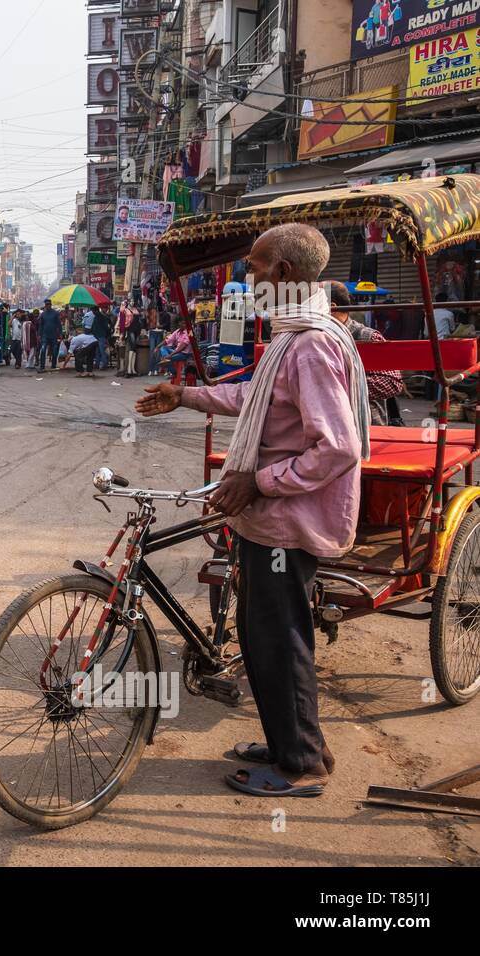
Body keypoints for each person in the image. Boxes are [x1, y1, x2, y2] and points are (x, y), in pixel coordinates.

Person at [137, 223, 370, 799]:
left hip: (288, 521)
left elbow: (339, 447)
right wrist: (187, 395)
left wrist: (259, 483)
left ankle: (300, 766)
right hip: (271, 518)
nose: (250, 276)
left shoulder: (311, 342)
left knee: (279, 636)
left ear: (285, 274)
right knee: (261, 632)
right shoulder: (292, 335)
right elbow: (255, 398)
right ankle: (292, 741)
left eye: (257, 266)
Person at [329, 283, 405, 427]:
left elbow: (392, 382)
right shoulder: (313, 337)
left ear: (331, 308)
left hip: (365, 424)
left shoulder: (367, 337)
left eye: (313, 305)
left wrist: (339, 387)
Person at [123, 304, 146, 377]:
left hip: (137, 330)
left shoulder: (136, 309)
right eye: (131, 300)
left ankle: (132, 369)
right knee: (132, 347)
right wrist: (123, 333)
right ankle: (129, 369)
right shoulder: (126, 310)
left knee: (134, 348)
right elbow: (124, 322)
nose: (132, 302)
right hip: (131, 330)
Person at [39, 300, 62, 371]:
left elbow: (59, 324)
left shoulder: (55, 313)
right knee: (43, 350)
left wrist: (60, 333)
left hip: (54, 335)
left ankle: (53, 365)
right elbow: (41, 325)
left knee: (54, 350)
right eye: (46, 304)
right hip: (45, 335)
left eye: (49, 304)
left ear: (51, 305)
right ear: (45, 305)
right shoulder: (43, 314)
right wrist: (39, 334)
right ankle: (42, 366)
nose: (48, 305)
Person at [146, 305, 167, 375]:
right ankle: (152, 369)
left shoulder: (162, 314)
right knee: (154, 351)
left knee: (155, 351)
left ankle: (154, 369)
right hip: (154, 332)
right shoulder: (151, 313)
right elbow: (149, 324)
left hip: (158, 332)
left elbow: (164, 324)